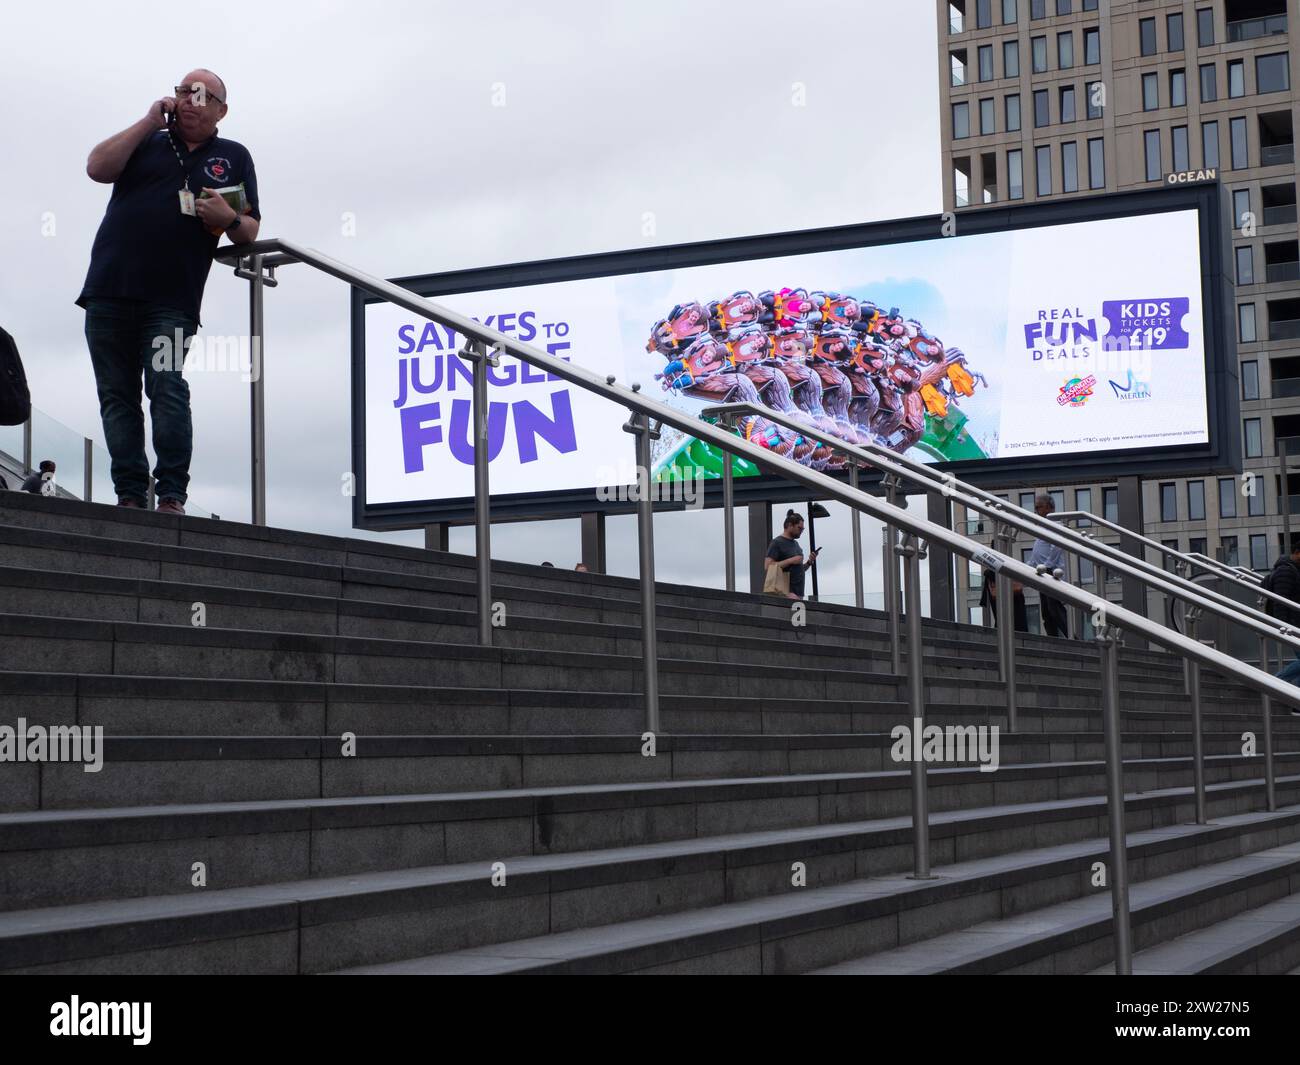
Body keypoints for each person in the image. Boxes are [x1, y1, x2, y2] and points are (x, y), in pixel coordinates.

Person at [78, 70, 262, 515]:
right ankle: (129, 494)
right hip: (109, 290)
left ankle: (172, 495)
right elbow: (97, 168)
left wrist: (227, 217)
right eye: (184, 91)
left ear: (222, 109)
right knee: (117, 395)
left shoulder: (232, 156)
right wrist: (147, 121)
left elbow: (249, 231)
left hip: (172, 298)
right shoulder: (146, 141)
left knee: (167, 387)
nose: (191, 101)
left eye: (203, 95)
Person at [1029, 493, 1070, 638]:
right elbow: (1039, 551)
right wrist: (1030, 566)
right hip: (1043, 571)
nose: (1036, 511)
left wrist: (1047, 566)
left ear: (1048, 507)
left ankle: (1071, 637)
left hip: (1051, 572)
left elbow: (1056, 546)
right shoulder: (1043, 526)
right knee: (1046, 611)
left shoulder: (1054, 524)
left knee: (1054, 607)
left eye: (1038, 507)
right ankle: (1053, 639)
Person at [1264, 536, 1300, 695]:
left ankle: (1295, 700)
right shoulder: (1286, 571)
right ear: (1297, 553)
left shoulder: (1294, 570)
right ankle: (1274, 683)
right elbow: (1280, 601)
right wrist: (1285, 627)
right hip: (1293, 624)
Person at [765, 509, 819, 600]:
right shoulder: (777, 542)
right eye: (799, 528)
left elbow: (799, 570)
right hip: (784, 595)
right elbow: (768, 566)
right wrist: (791, 560)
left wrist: (809, 562)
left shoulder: (796, 544)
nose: (801, 531)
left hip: (798, 594)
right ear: (790, 525)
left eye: (803, 529)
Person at [980, 567, 1028, 632]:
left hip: (1015, 614)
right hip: (1004, 614)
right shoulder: (991, 573)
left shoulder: (1010, 568)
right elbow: (994, 593)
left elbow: (1018, 587)